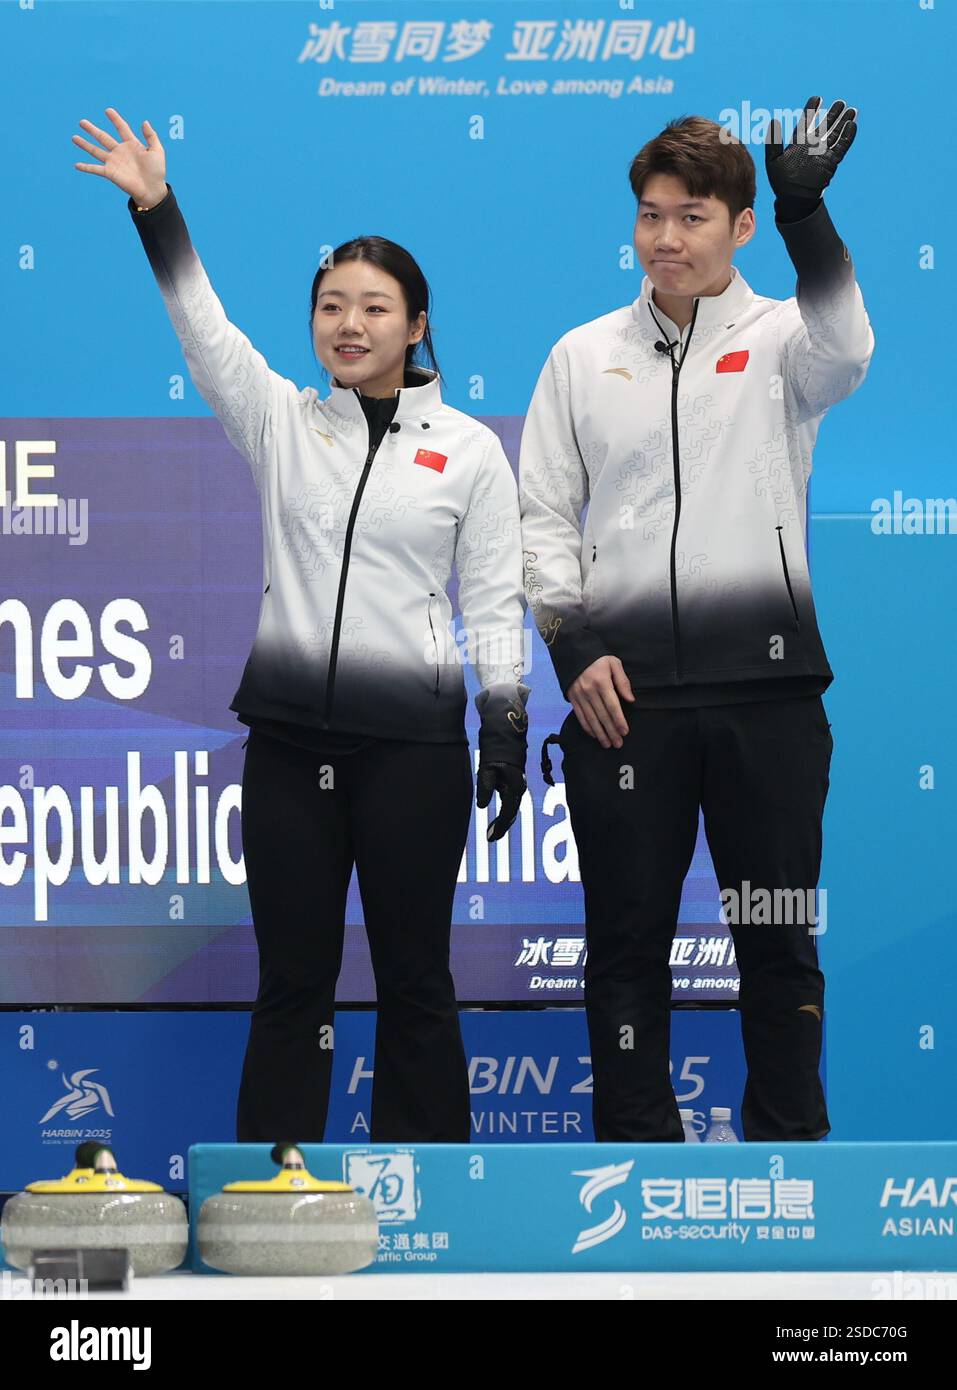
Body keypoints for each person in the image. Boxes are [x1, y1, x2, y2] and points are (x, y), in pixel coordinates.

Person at [73, 107, 530, 1143]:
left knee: (417, 977)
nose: (349, 325)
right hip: (286, 747)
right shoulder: (279, 420)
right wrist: (158, 209)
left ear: (418, 324)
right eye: (331, 306)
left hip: (412, 752)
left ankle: (431, 1196)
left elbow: (496, 601)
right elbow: (204, 330)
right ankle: (272, 1194)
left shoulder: (468, 451)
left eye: (374, 307)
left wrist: (504, 726)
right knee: (293, 983)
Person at [519, 98, 874, 1142]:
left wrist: (812, 211)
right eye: (650, 216)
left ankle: (791, 1168)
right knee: (624, 947)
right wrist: (573, 651)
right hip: (627, 706)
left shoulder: (787, 340)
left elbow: (850, 348)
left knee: (777, 943)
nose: (666, 239)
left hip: (768, 698)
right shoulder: (582, 356)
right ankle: (634, 1170)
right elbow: (541, 517)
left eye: (693, 218)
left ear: (741, 227)